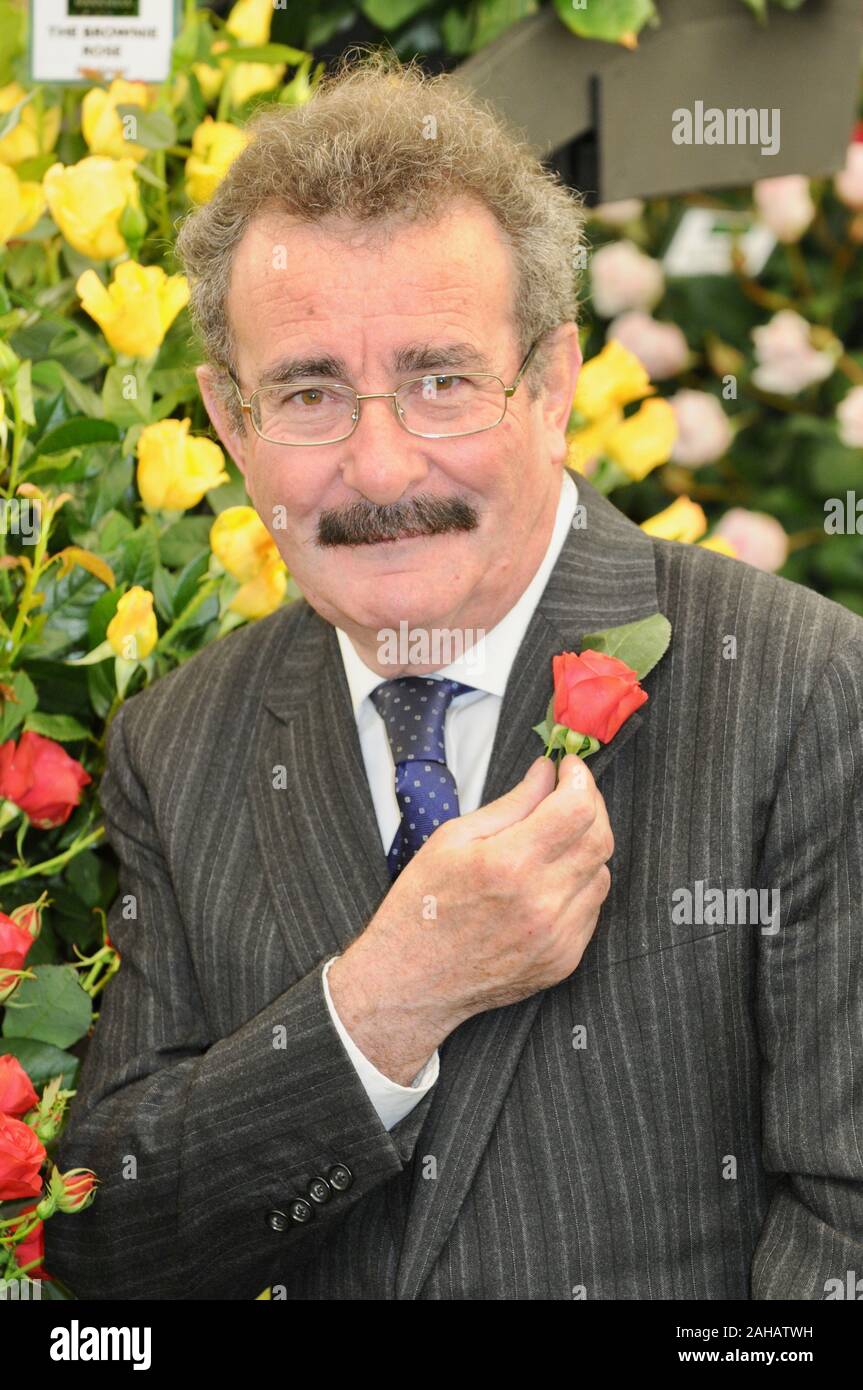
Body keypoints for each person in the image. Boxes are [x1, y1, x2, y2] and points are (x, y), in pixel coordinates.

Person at [45, 51, 863, 1301]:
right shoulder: (180, 739)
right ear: (228, 418)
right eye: (308, 392)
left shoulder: (798, 686)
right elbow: (112, 1242)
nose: (379, 468)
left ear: (548, 387)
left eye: (439, 381)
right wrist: (379, 1004)